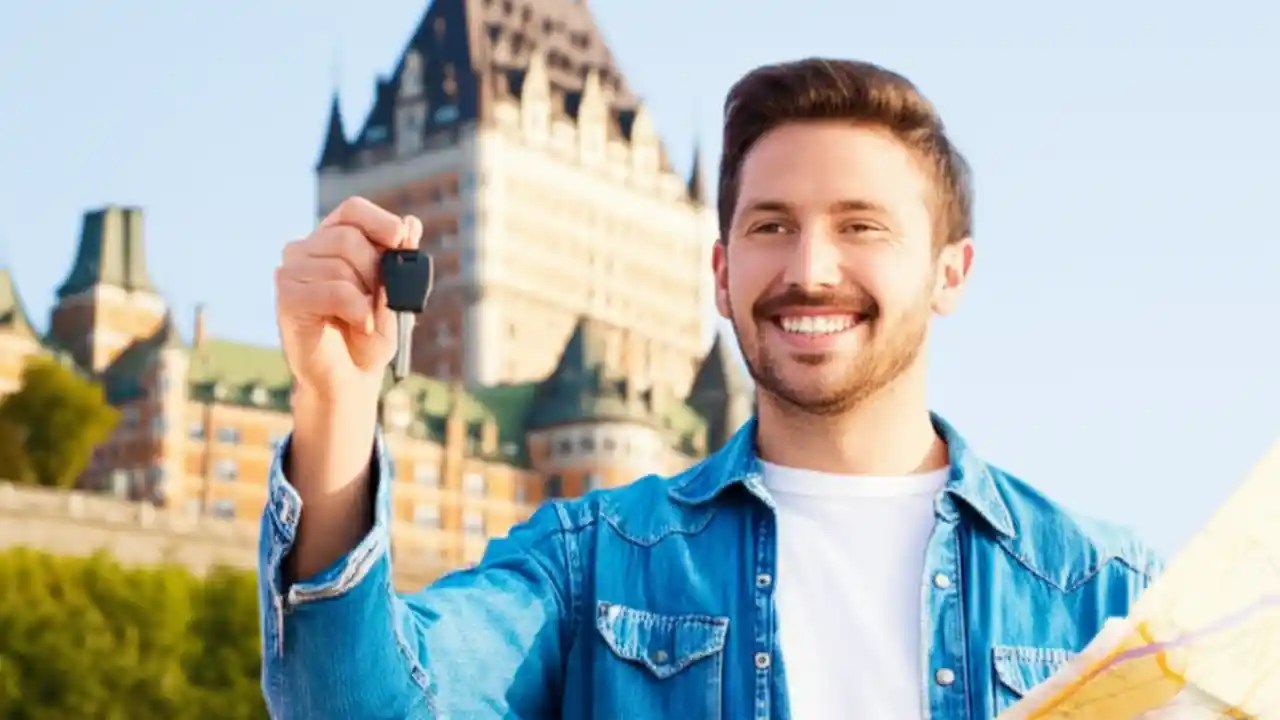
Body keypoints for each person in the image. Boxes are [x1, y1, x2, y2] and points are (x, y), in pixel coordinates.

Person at [259, 58, 1163, 719]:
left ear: (949, 273)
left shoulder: (1113, 600)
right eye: (773, 225)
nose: (811, 269)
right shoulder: (591, 566)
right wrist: (337, 403)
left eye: (861, 226)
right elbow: (354, 707)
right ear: (721, 273)